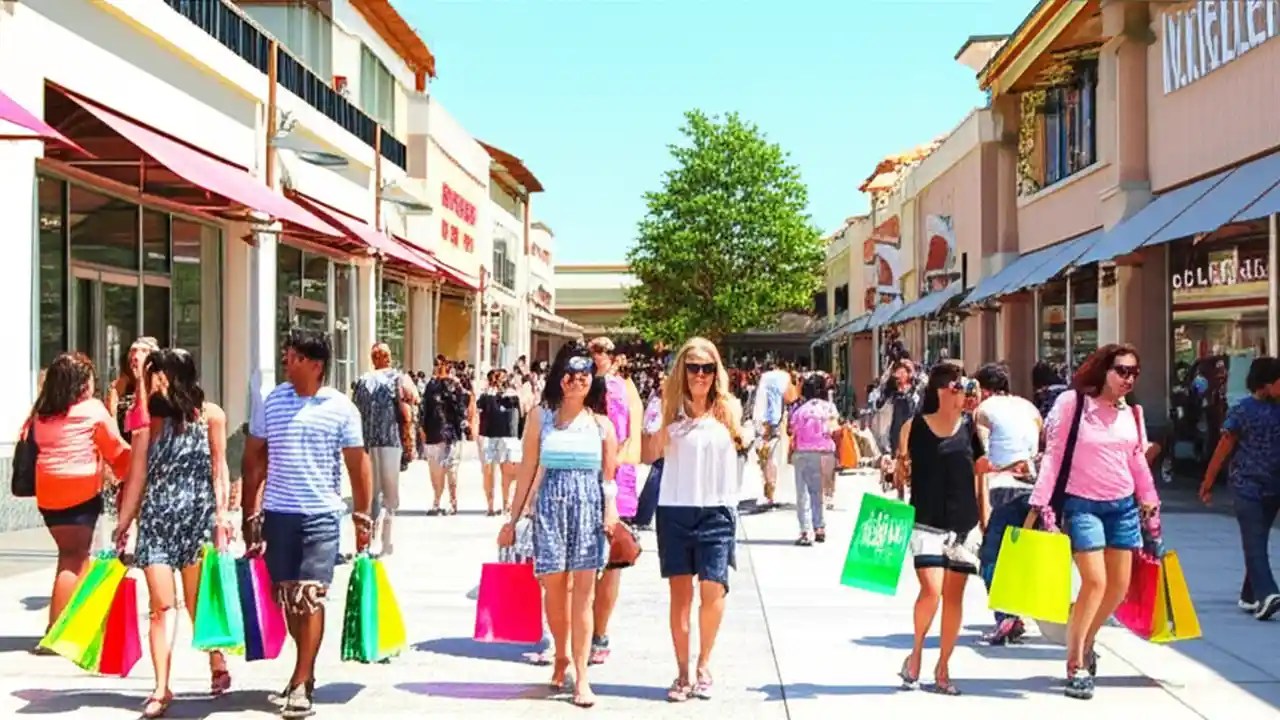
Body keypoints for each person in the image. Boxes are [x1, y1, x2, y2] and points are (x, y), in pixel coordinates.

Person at [241, 329, 373, 717]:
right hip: (279, 515)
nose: (287, 362)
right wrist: (250, 512)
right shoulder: (270, 401)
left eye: (294, 357)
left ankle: (301, 681)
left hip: (321, 515)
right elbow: (254, 461)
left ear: (315, 366)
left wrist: (362, 516)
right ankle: (305, 669)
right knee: (289, 599)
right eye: (286, 355)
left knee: (310, 595)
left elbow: (357, 463)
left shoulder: (341, 408)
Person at [1027, 343, 1160, 701]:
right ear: (1103, 369)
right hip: (1082, 506)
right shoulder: (1073, 404)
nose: (1128, 378)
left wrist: (1150, 500)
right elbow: (1053, 457)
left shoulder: (1133, 414)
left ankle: (1086, 640)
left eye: (1134, 372)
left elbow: (1137, 460)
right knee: (1095, 582)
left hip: (1123, 507)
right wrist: (1038, 504)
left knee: (1117, 587)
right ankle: (1076, 663)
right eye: (1122, 370)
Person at [497, 342, 618, 708]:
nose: (576, 382)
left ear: (591, 382)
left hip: (588, 510)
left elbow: (608, 478)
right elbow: (528, 470)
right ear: (559, 379)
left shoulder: (602, 426)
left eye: (584, 376)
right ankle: (560, 654)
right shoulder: (541, 417)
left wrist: (610, 513)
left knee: (584, 594)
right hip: (550, 508)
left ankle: (582, 675)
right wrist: (512, 519)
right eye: (569, 375)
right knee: (554, 590)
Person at [114, 349, 232, 718]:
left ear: (177, 377)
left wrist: (221, 516)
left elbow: (219, 469)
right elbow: (137, 477)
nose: (150, 383)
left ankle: (216, 658)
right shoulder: (147, 423)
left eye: (156, 375)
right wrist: (123, 523)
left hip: (197, 522)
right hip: (157, 523)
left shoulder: (211, 416)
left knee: (198, 605)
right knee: (160, 607)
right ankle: (161, 687)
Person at [644, 337, 743, 702]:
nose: (700, 375)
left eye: (707, 368)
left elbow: (741, 443)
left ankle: (704, 662)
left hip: (717, 511)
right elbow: (648, 453)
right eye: (693, 367)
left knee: (713, 590)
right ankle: (682, 672)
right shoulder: (669, 408)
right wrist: (660, 425)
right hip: (674, 510)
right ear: (682, 371)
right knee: (680, 596)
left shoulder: (728, 408)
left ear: (716, 372)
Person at [895, 363, 989, 696]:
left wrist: (985, 513)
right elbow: (900, 472)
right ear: (941, 390)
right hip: (925, 520)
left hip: (963, 524)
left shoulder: (970, 427)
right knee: (931, 591)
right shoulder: (914, 427)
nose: (963, 392)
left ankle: (944, 667)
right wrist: (895, 467)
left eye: (965, 387)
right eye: (958, 386)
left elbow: (981, 474)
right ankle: (917, 652)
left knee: (954, 597)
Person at [27, 352, 131, 652]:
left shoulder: (42, 412)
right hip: (80, 490)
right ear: (80, 383)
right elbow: (116, 451)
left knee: (77, 555)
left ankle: (79, 624)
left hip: (48, 493)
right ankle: (56, 633)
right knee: (72, 559)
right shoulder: (92, 410)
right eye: (89, 379)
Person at [1200, 356, 1280, 620]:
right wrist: (1208, 482)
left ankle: (1250, 595)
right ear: (1266, 384)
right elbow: (1224, 448)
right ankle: (1268, 594)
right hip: (1247, 486)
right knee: (1254, 541)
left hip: (1272, 487)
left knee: (1256, 540)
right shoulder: (1242, 410)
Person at [972, 362, 1043, 645]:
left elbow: (982, 459)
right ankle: (1015, 613)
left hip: (1003, 487)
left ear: (985, 390)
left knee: (990, 556)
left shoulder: (983, 412)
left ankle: (1005, 616)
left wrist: (981, 506)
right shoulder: (1031, 408)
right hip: (1034, 488)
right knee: (1020, 555)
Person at [587, 336, 641, 664]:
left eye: (605, 351)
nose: (599, 356)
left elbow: (626, 435)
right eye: (594, 350)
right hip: (582, 475)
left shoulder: (622, 388)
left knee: (612, 561)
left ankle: (599, 632)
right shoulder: (576, 383)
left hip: (615, 478)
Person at [351, 343, 418, 555]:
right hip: (390, 439)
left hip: (367, 442)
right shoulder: (397, 378)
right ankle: (386, 542)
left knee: (371, 494)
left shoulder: (362, 381)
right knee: (390, 494)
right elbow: (412, 401)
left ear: (373, 359)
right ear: (388, 358)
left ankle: (368, 540)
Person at [787, 374, 840, 546]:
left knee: (803, 492)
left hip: (803, 452)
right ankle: (819, 527)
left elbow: (792, 430)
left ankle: (805, 531)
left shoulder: (800, 410)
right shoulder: (829, 408)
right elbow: (835, 430)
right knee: (818, 492)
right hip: (825, 453)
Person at [419, 355, 469, 515]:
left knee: (449, 469)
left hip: (447, 433)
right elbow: (424, 409)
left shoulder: (450, 385)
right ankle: (439, 501)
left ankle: (449, 502)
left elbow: (461, 408)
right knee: (438, 470)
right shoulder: (433, 385)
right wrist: (422, 429)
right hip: (436, 433)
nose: (437, 367)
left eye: (440, 364)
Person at [477, 368, 522, 516]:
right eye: (497, 378)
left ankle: (505, 503)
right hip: (490, 435)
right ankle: (491, 505)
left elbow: (519, 412)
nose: (500, 380)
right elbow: (479, 409)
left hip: (507, 435)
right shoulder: (486, 395)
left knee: (507, 472)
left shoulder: (512, 394)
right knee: (489, 471)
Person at [753, 360, 791, 507]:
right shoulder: (783, 377)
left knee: (764, 457)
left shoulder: (764, 379)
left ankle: (768, 491)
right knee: (773, 457)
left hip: (762, 421)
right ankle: (771, 492)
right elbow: (787, 399)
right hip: (775, 421)